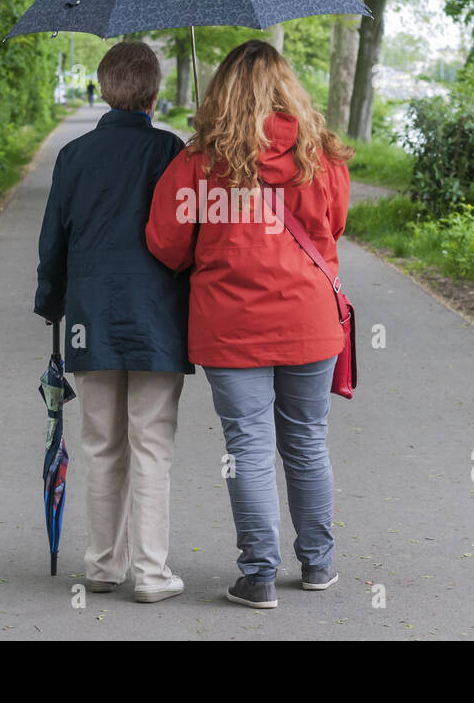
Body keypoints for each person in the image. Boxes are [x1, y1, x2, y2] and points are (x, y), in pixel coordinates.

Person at [145, 39, 352, 609]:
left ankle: (259, 574)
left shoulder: (199, 162)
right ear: (289, 88)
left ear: (222, 93)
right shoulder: (322, 155)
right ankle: (317, 564)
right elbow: (334, 226)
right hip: (310, 322)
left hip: (230, 326)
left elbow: (165, 243)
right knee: (308, 443)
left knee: (249, 446)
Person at [35, 41, 192, 603]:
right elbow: (190, 239)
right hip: (157, 317)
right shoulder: (174, 152)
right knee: (152, 443)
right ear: (153, 93)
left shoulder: (74, 156)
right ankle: (152, 574)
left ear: (104, 90)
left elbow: (53, 239)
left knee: (101, 442)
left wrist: (49, 300)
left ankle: (103, 565)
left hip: (89, 315)